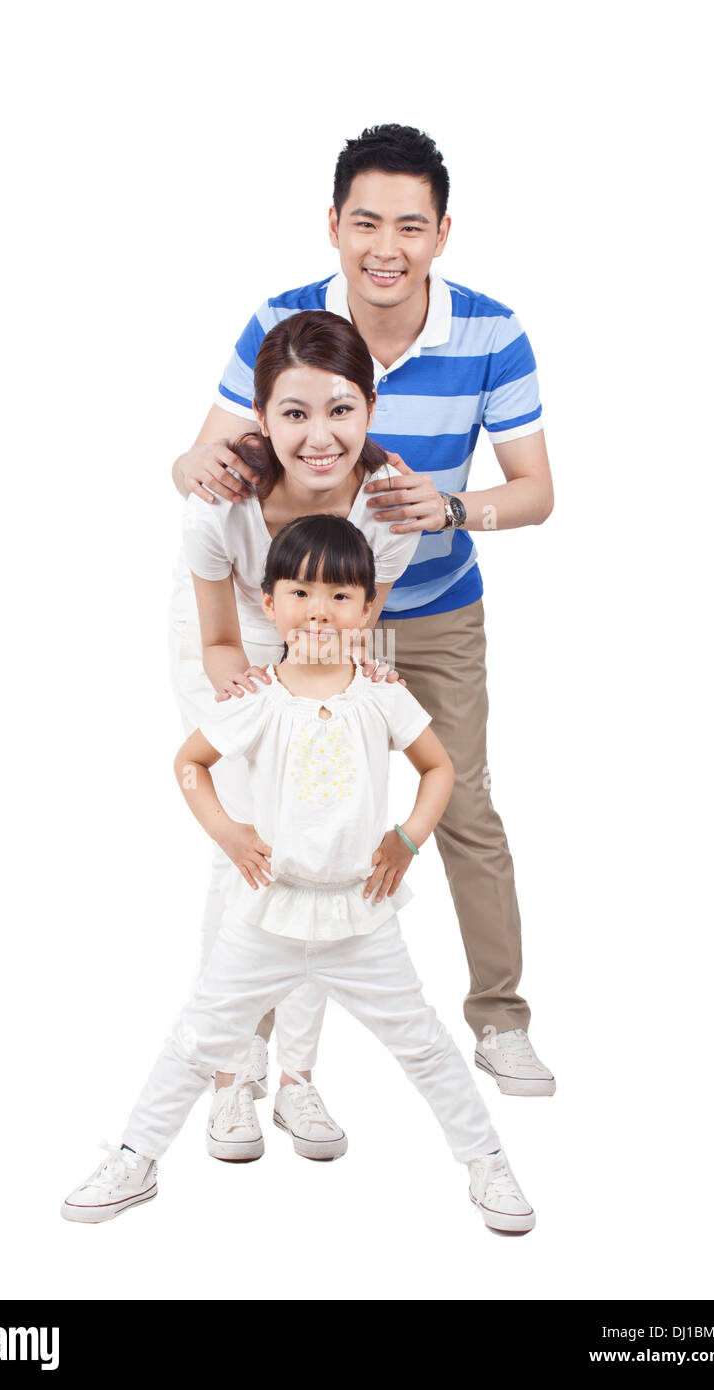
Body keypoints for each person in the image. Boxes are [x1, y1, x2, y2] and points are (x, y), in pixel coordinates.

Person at [172, 124, 557, 1098]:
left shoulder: (491, 334)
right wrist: (189, 472)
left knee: (457, 803)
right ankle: (242, 1060)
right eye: (366, 222)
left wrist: (453, 508)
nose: (387, 246)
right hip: (291, 608)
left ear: (441, 234)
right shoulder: (284, 321)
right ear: (333, 225)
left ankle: (498, 1020)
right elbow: (205, 457)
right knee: (285, 816)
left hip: (422, 609)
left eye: (411, 226)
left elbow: (535, 492)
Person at [61, 515, 535, 1236]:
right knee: (198, 1039)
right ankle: (135, 1156)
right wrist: (228, 831)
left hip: (362, 915)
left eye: (341, 597)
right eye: (302, 592)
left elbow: (440, 768)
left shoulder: (381, 691)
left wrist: (408, 837)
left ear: (369, 609)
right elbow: (189, 763)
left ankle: (488, 1163)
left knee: (426, 1046)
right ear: (270, 601)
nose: (319, 611)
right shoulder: (256, 697)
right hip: (267, 915)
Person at [171, 308, 423, 1160]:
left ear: (371, 406)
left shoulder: (390, 510)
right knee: (249, 846)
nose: (320, 436)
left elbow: (350, 636)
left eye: (342, 410)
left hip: (329, 637)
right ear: (262, 415)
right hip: (233, 640)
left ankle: (299, 1081)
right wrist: (257, 716)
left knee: (323, 835)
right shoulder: (219, 507)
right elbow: (217, 640)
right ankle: (231, 1072)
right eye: (294, 413)